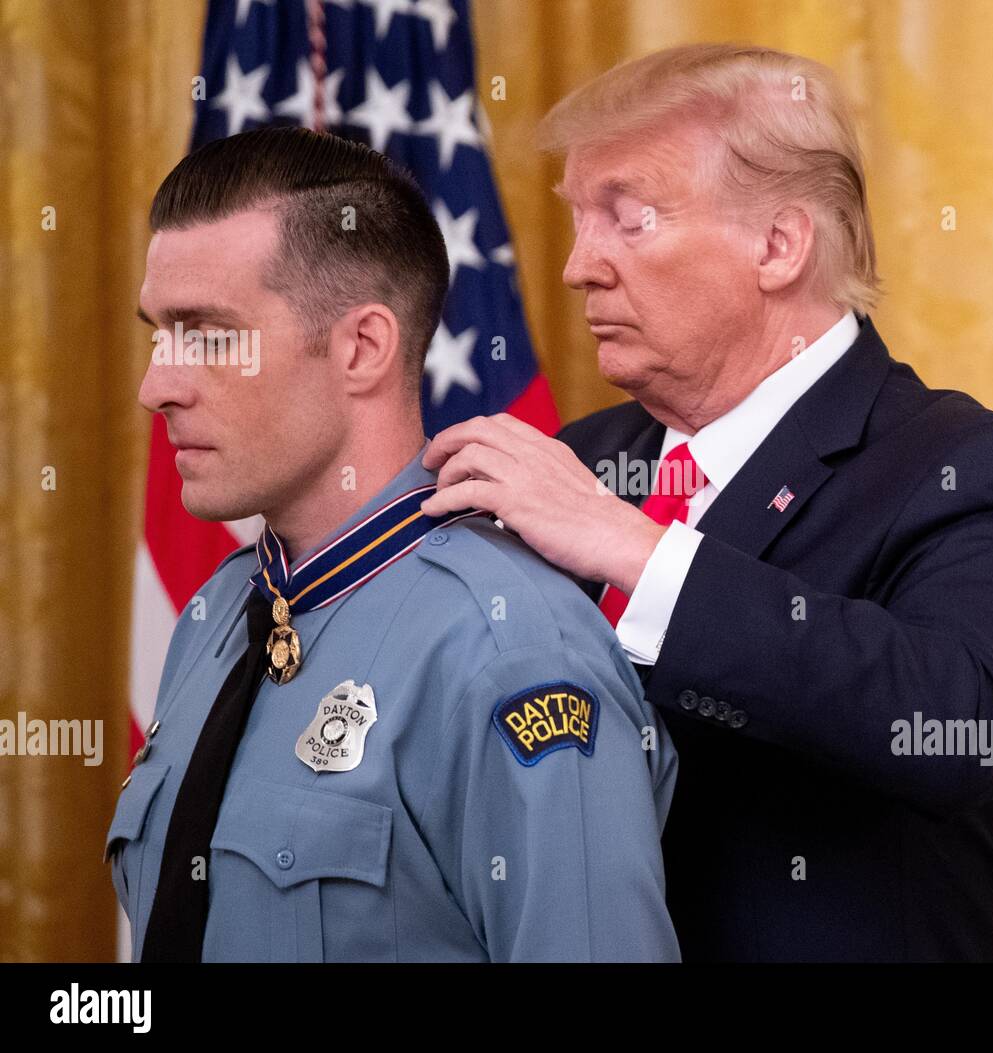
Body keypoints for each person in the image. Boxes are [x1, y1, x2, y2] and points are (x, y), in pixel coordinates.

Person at [420, 44, 993, 961]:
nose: (578, 267)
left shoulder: (972, 468)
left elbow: (958, 724)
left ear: (779, 245)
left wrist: (637, 553)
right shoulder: (577, 463)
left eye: (629, 219)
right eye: (578, 222)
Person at [107, 125, 678, 963]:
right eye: (158, 333)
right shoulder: (215, 613)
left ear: (363, 347)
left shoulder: (510, 652)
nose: (157, 384)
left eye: (207, 335)